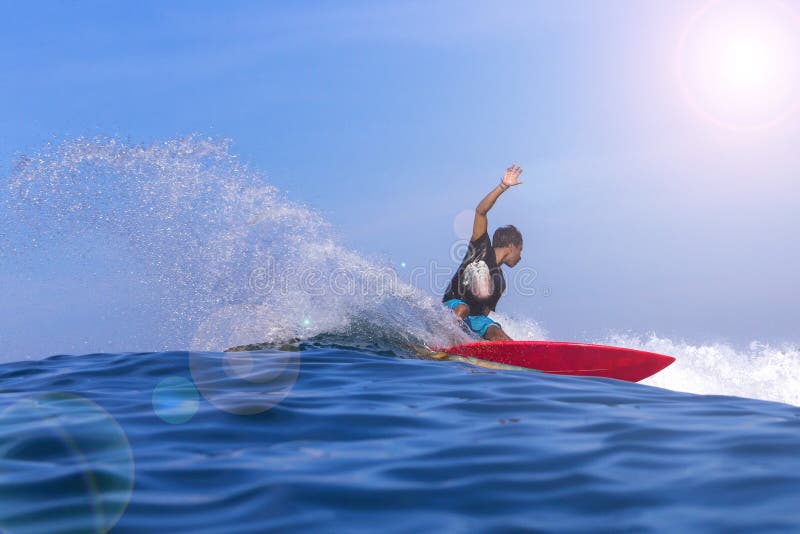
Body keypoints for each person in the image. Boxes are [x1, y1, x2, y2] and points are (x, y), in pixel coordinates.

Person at [442, 164, 523, 341]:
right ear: (511, 245)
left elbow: (484, 313)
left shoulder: (500, 282)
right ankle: (442, 342)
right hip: (452, 306)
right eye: (520, 250)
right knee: (462, 309)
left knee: (497, 333)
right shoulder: (481, 246)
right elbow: (480, 211)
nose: (520, 256)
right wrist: (503, 186)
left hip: (475, 318)